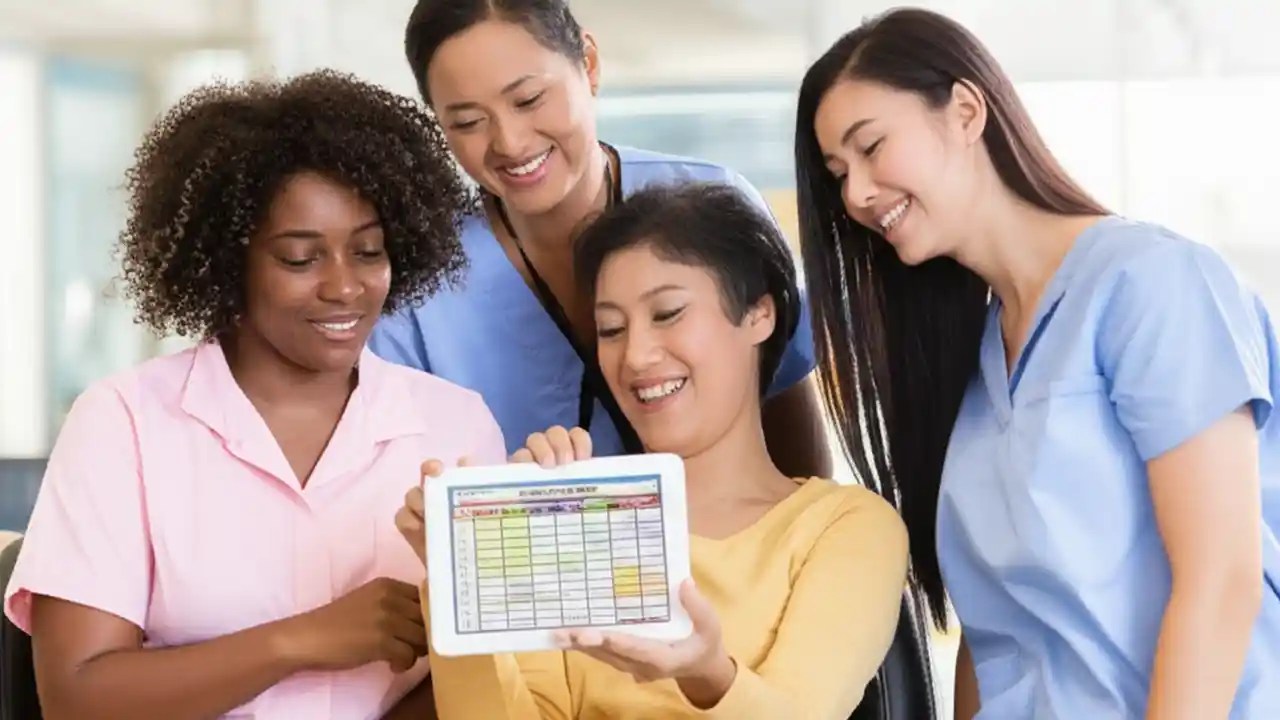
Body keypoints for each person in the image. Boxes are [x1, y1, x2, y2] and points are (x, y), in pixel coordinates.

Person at [794, 7, 1280, 719]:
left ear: (965, 110)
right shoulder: (970, 364)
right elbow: (991, 641)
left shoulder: (1152, 284)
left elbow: (1222, 579)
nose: (857, 193)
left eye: (871, 148)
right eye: (838, 173)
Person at [3, 70, 506, 719]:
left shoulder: (454, 424)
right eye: (301, 259)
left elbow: (489, 676)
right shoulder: (125, 422)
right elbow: (77, 697)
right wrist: (301, 640)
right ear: (226, 262)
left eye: (369, 252)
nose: (345, 288)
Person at [395, 183, 909, 719]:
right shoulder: (572, 517)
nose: (635, 356)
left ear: (759, 315)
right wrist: (461, 577)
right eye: (611, 329)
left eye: (667, 314)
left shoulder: (846, 526)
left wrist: (708, 673)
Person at [368, 0, 830, 479]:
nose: (509, 142)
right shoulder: (419, 287)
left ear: (588, 63)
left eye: (528, 100)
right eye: (467, 122)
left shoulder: (713, 205)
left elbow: (794, 443)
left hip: (744, 546)